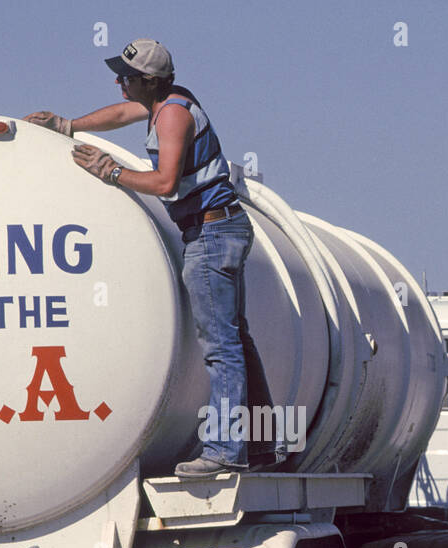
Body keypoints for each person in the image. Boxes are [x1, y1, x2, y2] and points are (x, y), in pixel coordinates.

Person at [24, 38, 279, 479]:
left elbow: (164, 182)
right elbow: (123, 113)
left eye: (125, 77)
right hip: (219, 228)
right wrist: (69, 124)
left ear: (147, 81)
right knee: (236, 340)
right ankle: (257, 445)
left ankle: (224, 449)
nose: (118, 83)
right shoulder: (165, 102)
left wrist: (112, 172)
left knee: (221, 347)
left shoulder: (173, 114)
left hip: (210, 232)